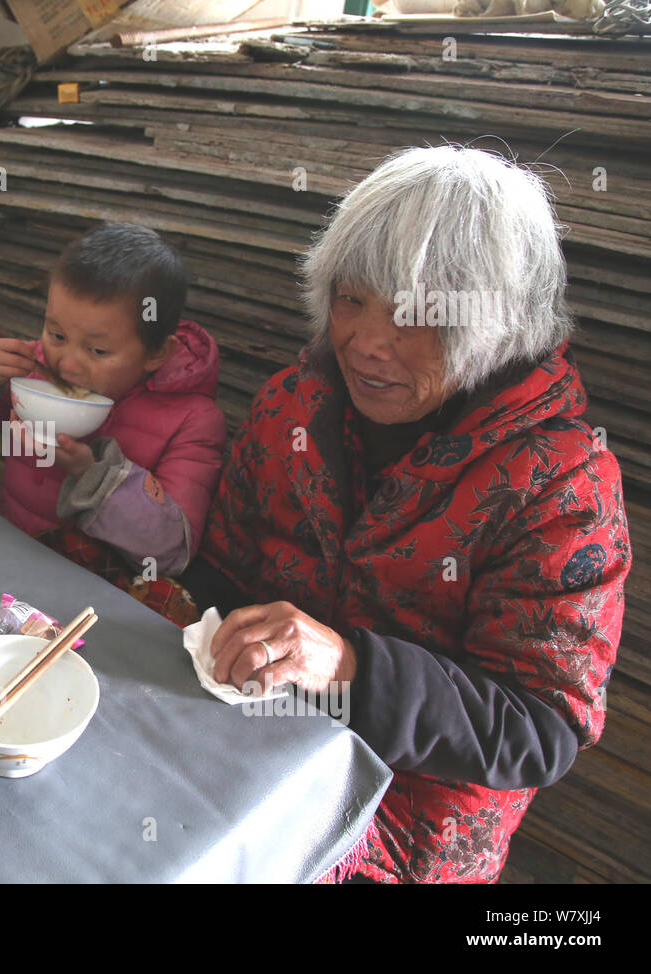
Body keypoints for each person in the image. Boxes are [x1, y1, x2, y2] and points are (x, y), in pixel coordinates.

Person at [185, 145, 630, 883]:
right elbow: (223, 571)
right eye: (351, 297)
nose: (365, 342)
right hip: (250, 732)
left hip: (409, 815)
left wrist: (351, 668)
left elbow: (538, 730)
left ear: (494, 320)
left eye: (414, 314)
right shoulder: (293, 405)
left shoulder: (561, 487)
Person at [0, 222, 225, 623]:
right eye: (56, 334)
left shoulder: (193, 420)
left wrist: (91, 475)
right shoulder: (33, 371)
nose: (67, 363)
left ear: (156, 354)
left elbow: (168, 552)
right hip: (11, 568)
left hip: (104, 609)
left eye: (97, 349)